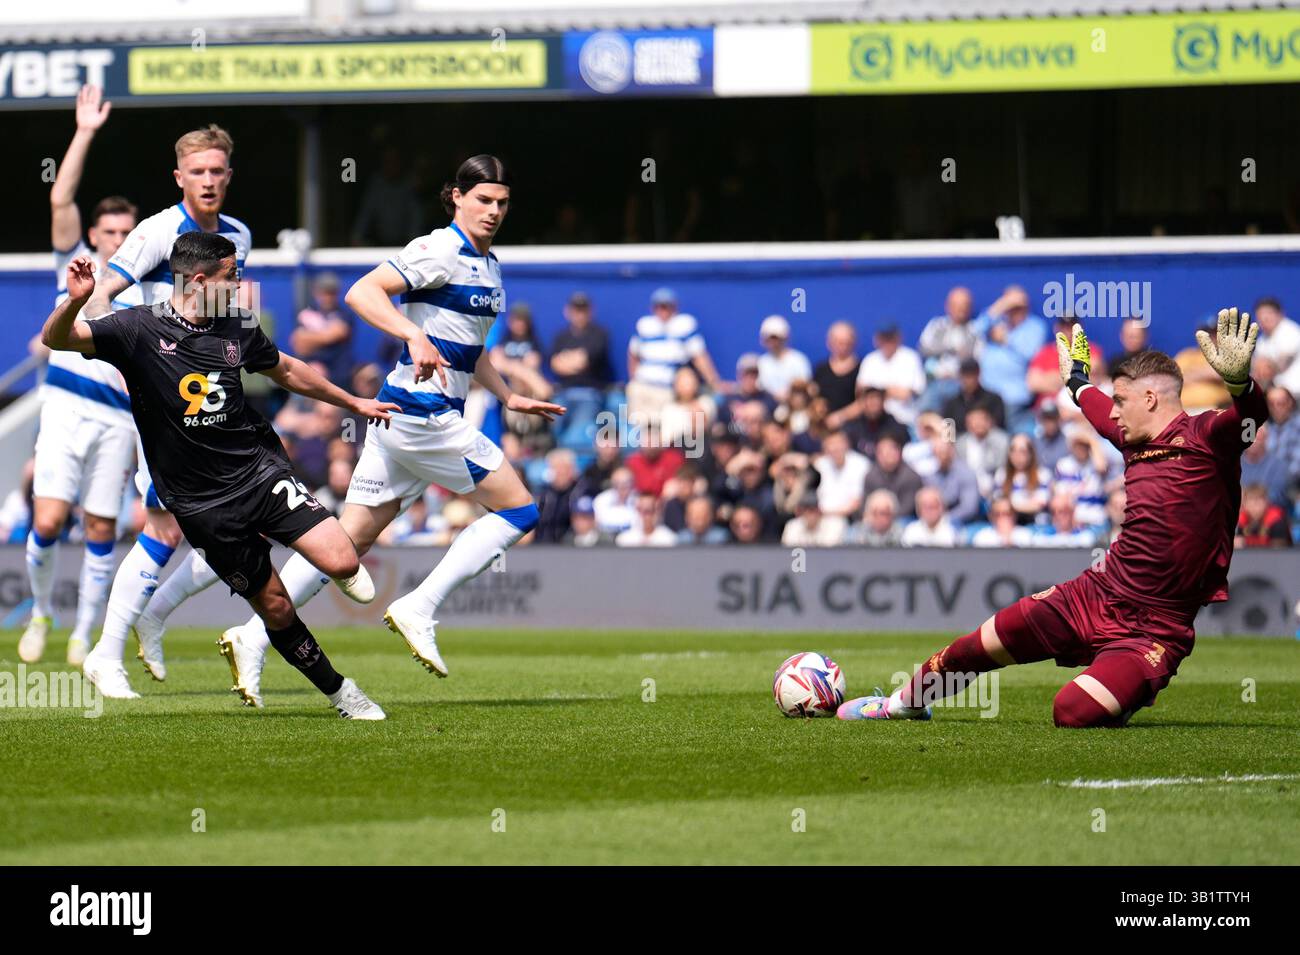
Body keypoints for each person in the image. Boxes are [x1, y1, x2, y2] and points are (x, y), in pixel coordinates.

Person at [216, 156, 564, 708]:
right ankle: (419, 606)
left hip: (399, 418)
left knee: (346, 544)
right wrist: (411, 333)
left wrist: (507, 395)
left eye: (501, 203)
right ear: (455, 197)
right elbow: (362, 293)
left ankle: (253, 636)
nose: (493, 211)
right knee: (520, 512)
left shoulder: (489, 263)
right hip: (424, 415)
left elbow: (468, 351)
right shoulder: (437, 249)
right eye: (482, 201)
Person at [839, 311, 1267, 727]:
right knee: (983, 643)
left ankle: (1126, 692)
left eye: (1121, 401)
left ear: (1150, 399)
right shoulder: (1130, 438)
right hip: (1096, 593)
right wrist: (1077, 381)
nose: (1114, 413)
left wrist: (1239, 383)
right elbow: (1094, 407)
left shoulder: (1208, 437)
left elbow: (1250, 418)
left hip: (1154, 629)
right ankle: (902, 704)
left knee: (1071, 712)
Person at [44, 235, 394, 716]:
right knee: (274, 606)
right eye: (233, 275)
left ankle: (330, 564)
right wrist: (77, 304)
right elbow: (56, 339)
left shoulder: (236, 325)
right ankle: (342, 692)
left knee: (342, 561)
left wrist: (353, 402)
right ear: (202, 280)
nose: (240, 283)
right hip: (201, 504)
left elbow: (286, 370)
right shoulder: (135, 330)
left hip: (257, 471)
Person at [80, 122, 253, 684]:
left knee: (235, 526)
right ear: (179, 177)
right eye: (196, 172)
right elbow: (103, 293)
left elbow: (226, 312)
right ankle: (106, 653)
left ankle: (151, 616)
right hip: (165, 405)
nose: (207, 181)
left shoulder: (239, 236)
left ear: (229, 174)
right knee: (163, 527)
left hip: (214, 401)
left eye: (216, 171)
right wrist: (122, 360)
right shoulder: (158, 232)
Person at [19, 85, 139, 667]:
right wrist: (85, 130)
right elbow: (60, 197)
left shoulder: (143, 285)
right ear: (95, 235)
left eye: (126, 233)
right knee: (46, 519)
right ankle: (43, 611)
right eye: (110, 232)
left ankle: (83, 633)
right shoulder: (75, 267)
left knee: (99, 526)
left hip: (118, 420)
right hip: (65, 408)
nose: (117, 241)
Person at [626, 288, 721, 427]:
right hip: (642, 387)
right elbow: (633, 355)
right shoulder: (644, 325)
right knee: (637, 430)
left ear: (674, 307)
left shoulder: (684, 325)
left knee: (663, 430)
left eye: (666, 306)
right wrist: (634, 378)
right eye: (659, 306)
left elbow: (700, 357)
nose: (663, 311)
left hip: (667, 390)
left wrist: (714, 382)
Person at [548, 290, 612, 449]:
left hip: (589, 393)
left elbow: (584, 360)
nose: (579, 314)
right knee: (553, 427)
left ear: (590, 311)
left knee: (579, 433)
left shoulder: (599, 334)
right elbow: (555, 364)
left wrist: (567, 359)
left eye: (583, 310)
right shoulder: (561, 337)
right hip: (563, 392)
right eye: (576, 309)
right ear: (568, 311)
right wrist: (575, 359)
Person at [917, 285, 978, 411]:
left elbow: (977, 358)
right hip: (934, 381)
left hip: (960, 384)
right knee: (924, 412)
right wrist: (950, 349)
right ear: (948, 306)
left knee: (954, 421)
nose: (961, 310)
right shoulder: (936, 325)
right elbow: (923, 348)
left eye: (964, 306)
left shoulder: (974, 330)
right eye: (957, 306)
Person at [290, 272, 355, 386]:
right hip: (306, 371)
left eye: (331, 292)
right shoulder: (306, 313)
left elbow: (338, 333)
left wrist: (311, 337)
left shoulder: (344, 314)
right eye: (324, 292)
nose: (328, 297)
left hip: (336, 374)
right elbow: (299, 344)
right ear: (316, 292)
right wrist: (326, 334)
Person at [855, 323, 925, 426]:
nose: (887, 342)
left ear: (898, 338)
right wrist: (891, 391)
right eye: (883, 338)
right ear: (876, 339)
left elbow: (905, 394)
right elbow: (860, 392)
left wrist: (875, 391)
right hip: (873, 421)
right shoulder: (870, 360)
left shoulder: (910, 358)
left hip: (903, 420)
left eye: (890, 338)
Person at [756, 314, 811, 402]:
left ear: (785, 338)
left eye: (776, 338)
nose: (773, 343)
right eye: (769, 339)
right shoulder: (761, 363)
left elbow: (805, 387)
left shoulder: (799, 360)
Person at [812, 321, 861, 414]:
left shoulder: (862, 369)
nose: (843, 347)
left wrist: (840, 417)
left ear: (854, 343)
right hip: (822, 422)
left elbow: (863, 402)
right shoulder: (821, 369)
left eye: (847, 342)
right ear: (829, 343)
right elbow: (814, 396)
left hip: (853, 425)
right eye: (838, 342)